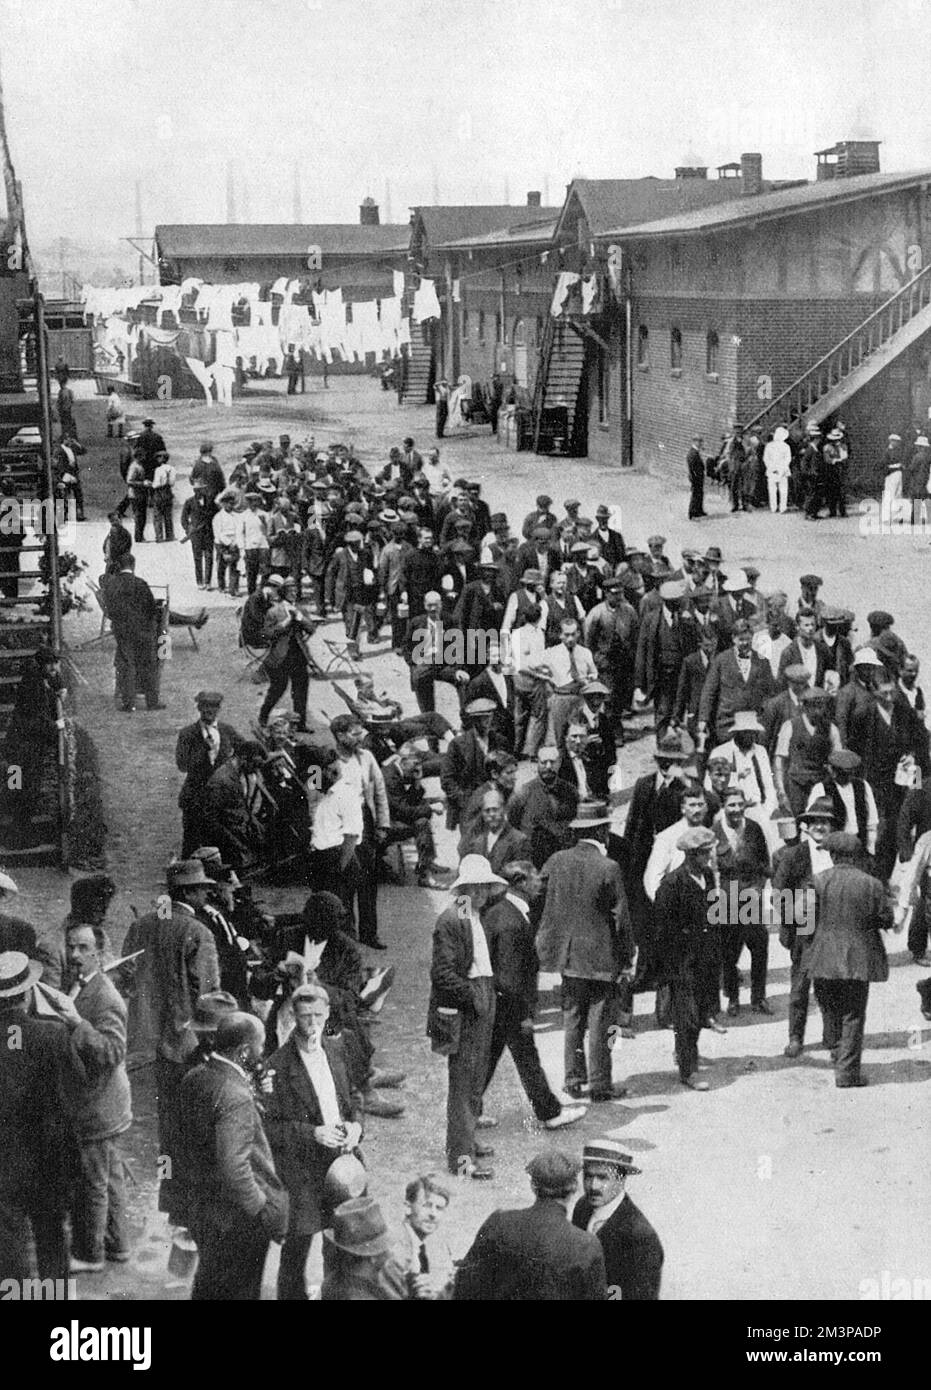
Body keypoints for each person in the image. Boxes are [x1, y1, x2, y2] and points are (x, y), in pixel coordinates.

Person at [123, 860, 220, 1224]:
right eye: (203, 888)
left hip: (148, 1040)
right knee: (190, 1123)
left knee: (165, 1121)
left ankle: (168, 1189)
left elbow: (125, 977)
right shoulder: (197, 932)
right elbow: (210, 997)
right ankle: (183, 1202)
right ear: (191, 893)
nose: (207, 893)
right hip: (185, 1043)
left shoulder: (141, 925)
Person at [265, 983, 364, 1300]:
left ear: (328, 1014)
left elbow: (354, 1097)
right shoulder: (277, 1067)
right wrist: (313, 1134)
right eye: (305, 1016)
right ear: (293, 1016)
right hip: (302, 1172)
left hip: (342, 1164)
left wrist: (356, 1127)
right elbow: (267, 1128)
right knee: (297, 1249)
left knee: (341, 1243)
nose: (312, 1024)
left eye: (318, 1016)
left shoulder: (338, 1049)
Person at [180, 1012, 288, 1300]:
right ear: (243, 1051)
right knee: (240, 1290)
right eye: (260, 1046)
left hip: (203, 1207)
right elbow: (234, 1167)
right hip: (235, 1218)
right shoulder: (234, 1095)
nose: (263, 1052)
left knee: (209, 1284)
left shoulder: (195, 1076)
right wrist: (260, 1208)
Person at [537, 801, 635, 1102]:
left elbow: (538, 899)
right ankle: (601, 1085)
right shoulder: (609, 867)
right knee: (603, 1024)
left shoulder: (556, 861)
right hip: (601, 958)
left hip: (567, 958)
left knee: (573, 1019)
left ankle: (572, 1080)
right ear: (602, 831)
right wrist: (627, 956)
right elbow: (621, 919)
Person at [482, 859, 586, 1130]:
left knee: (489, 1057)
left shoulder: (499, 911)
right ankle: (549, 1112)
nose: (541, 882)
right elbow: (511, 976)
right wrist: (525, 1015)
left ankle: (468, 1109)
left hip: (496, 1002)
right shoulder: (513, 923)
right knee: (527, 1059)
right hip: (509, 1005)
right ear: (520, 883)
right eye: (536, 878)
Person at [0, 951, 83, 1284]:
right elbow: (77, 1087)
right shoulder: (53, 1035)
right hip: (48, 1154)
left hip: (5, 1156)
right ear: (26, 992)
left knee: (9, 1238)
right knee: (50, 1235)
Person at [62, 923, 133, 1272]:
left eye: (83, 948)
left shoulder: (106, 997)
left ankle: (90, 1255)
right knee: (111, 1176)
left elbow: (113, 1052)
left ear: (99, 954)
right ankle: (117, 1245)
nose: (75, 954)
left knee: (93, 1182)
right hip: (106, 1103)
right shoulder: (79, 985)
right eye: (71, 947)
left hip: (98, 1105)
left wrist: (76, 1024)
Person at [426, 855, 503, 1180]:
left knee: (474, 1080)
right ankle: (460, 1155)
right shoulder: (453, 918)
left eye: (487, 886)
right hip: (467, 1005)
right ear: (466, 887)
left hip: (481, 995)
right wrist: (474, 997)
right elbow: (442, 972)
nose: (484, 891)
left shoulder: (471, 914)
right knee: (463, 1082)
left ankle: (467, 1141)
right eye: (479, 886)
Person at [454, 1151, 607, 1300]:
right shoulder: (587, 1245)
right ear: (574, 1187)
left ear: (533, 1185)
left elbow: (465, 1284)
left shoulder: (499, 1223)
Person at [810, 833, 894, 1087]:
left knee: (830, 1009)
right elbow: (886, 919)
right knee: (853, 1014)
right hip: (859, 958)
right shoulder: (872, 884)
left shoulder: (818, 882)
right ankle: (847, 1072)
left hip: (823, 957)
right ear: (856, 856)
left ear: (834, 855)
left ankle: (838, 1054)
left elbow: (804, 919)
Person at [654, 826, 722, 1090]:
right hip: (681, 960)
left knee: (701, 1010)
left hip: (705, 955)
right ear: (691, 855)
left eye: (709, 852)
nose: (709, 857)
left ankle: (683, 1054)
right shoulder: (672, 884)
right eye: (704, 853)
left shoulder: (707, 876)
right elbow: (660, 929)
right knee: (686, 1016)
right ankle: (688, 1070)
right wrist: (670, 965)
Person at [773, 798, 837, 1059]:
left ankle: (832, 1036)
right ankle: (795, 1037)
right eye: (816, 822)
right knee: (800, 986)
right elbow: (777, 893)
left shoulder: (839, 852)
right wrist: (793, 916)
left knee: (830, 984)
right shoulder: (794, 855)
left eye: (825, 822)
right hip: (803, 930)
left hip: (832, 929)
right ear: (806, 826)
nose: (820, 826)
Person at [571, 1139, 665, 1300]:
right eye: (588, 1176)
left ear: (621, 1180)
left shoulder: (641, 1238)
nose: (593, 1186)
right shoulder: (583, 1207)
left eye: (603, 1178)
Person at [711, 785, 772, 1016]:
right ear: (723, 807)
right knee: (729, 952)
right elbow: (711, 870)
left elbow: (764, 865)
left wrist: (758, 889)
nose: (737, 810)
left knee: (759, 947)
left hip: (751, 898)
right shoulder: (714, 832)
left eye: (740, 804)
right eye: (731, 805)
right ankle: (733, 998)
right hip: (726, 900)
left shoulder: (754, 829)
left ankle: (759, 997)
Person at [175, 691, 245, 856]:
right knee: (192, 839)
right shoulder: (187, 734)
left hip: (220, 796)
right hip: (195, 795)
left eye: (213, 707)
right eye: (205, 706)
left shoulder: (227, 731)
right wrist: (202, 750)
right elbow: (182, 765)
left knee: (221, 836)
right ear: (199, 708)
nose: (209, 710)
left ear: (218, 709)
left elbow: (245, 748)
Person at [99, 553, 164, 713]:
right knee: (149, 665)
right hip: (143, 631)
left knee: (127, 664)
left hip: (123, 631)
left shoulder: (111, 585)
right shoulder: (140, 584)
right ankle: (152, 702)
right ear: (133, 566)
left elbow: (110, 610)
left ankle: (129, 703)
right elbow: (151, 608)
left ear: (119, 567)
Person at [320, 1196, 408, 1301]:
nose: (391, 1252)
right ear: (372, 1258)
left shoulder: (334, 1281)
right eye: (385, 1247)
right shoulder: (355, 1295)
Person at [395, 1174, 456, 1300]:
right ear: (407, 1207)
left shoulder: (437, 1243)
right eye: (426, 1205)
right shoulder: (396, 1247)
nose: (433, 1214)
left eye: (439, 1208)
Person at [764, 425, 791, 513]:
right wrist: (781, 468)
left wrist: (771, 467)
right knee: (782, 490)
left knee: (773, 490)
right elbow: (788, 459)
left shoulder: (769, 446)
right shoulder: (785, 446)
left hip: (774, 470)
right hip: (781, 470)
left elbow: (766, 459)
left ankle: (774, 507)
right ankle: (782, 507)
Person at [151, 451, 177, 543]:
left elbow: (156, 484)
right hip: (168, 492)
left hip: (159, 493)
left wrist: (151, 485)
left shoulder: (158, 470)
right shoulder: (172, 469)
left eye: (158, 457)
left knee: (157, 516)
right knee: (168, 515)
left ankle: (159, 536)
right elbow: (172, 482)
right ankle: (170, 535)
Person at [686, 435, 706, 519]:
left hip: (698, 476)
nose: (700, 443)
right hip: (695, 477)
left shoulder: (695, 451)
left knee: (700, 493)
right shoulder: (692, 452)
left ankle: (699, 511)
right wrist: (694, 476)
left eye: (701, 441)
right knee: (695, 494)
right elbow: (692, 467)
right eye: (699, 441)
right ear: (694, 442)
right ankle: (692, 513)